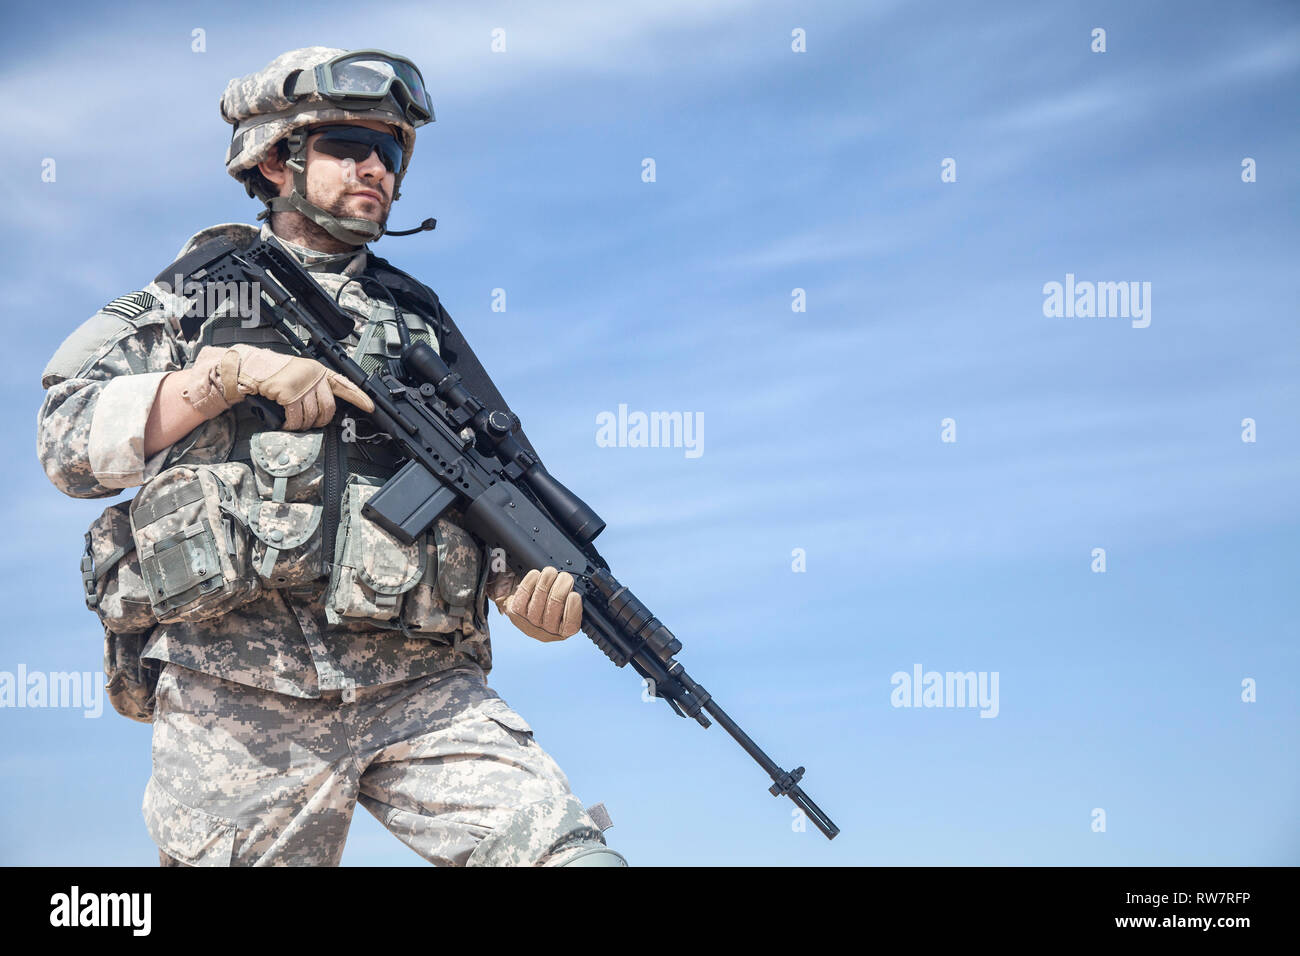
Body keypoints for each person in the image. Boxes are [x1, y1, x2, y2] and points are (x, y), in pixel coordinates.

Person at [36, 47, 624, 867]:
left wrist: (527, 594)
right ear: (278, 158)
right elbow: (64, 442)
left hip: (423, 686)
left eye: (390, 153)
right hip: (241, 693)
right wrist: (222, 377)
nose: (377, 169)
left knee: (574, 858)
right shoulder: (197, 294)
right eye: (351, 145)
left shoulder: (418, 321)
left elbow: (491, 489)